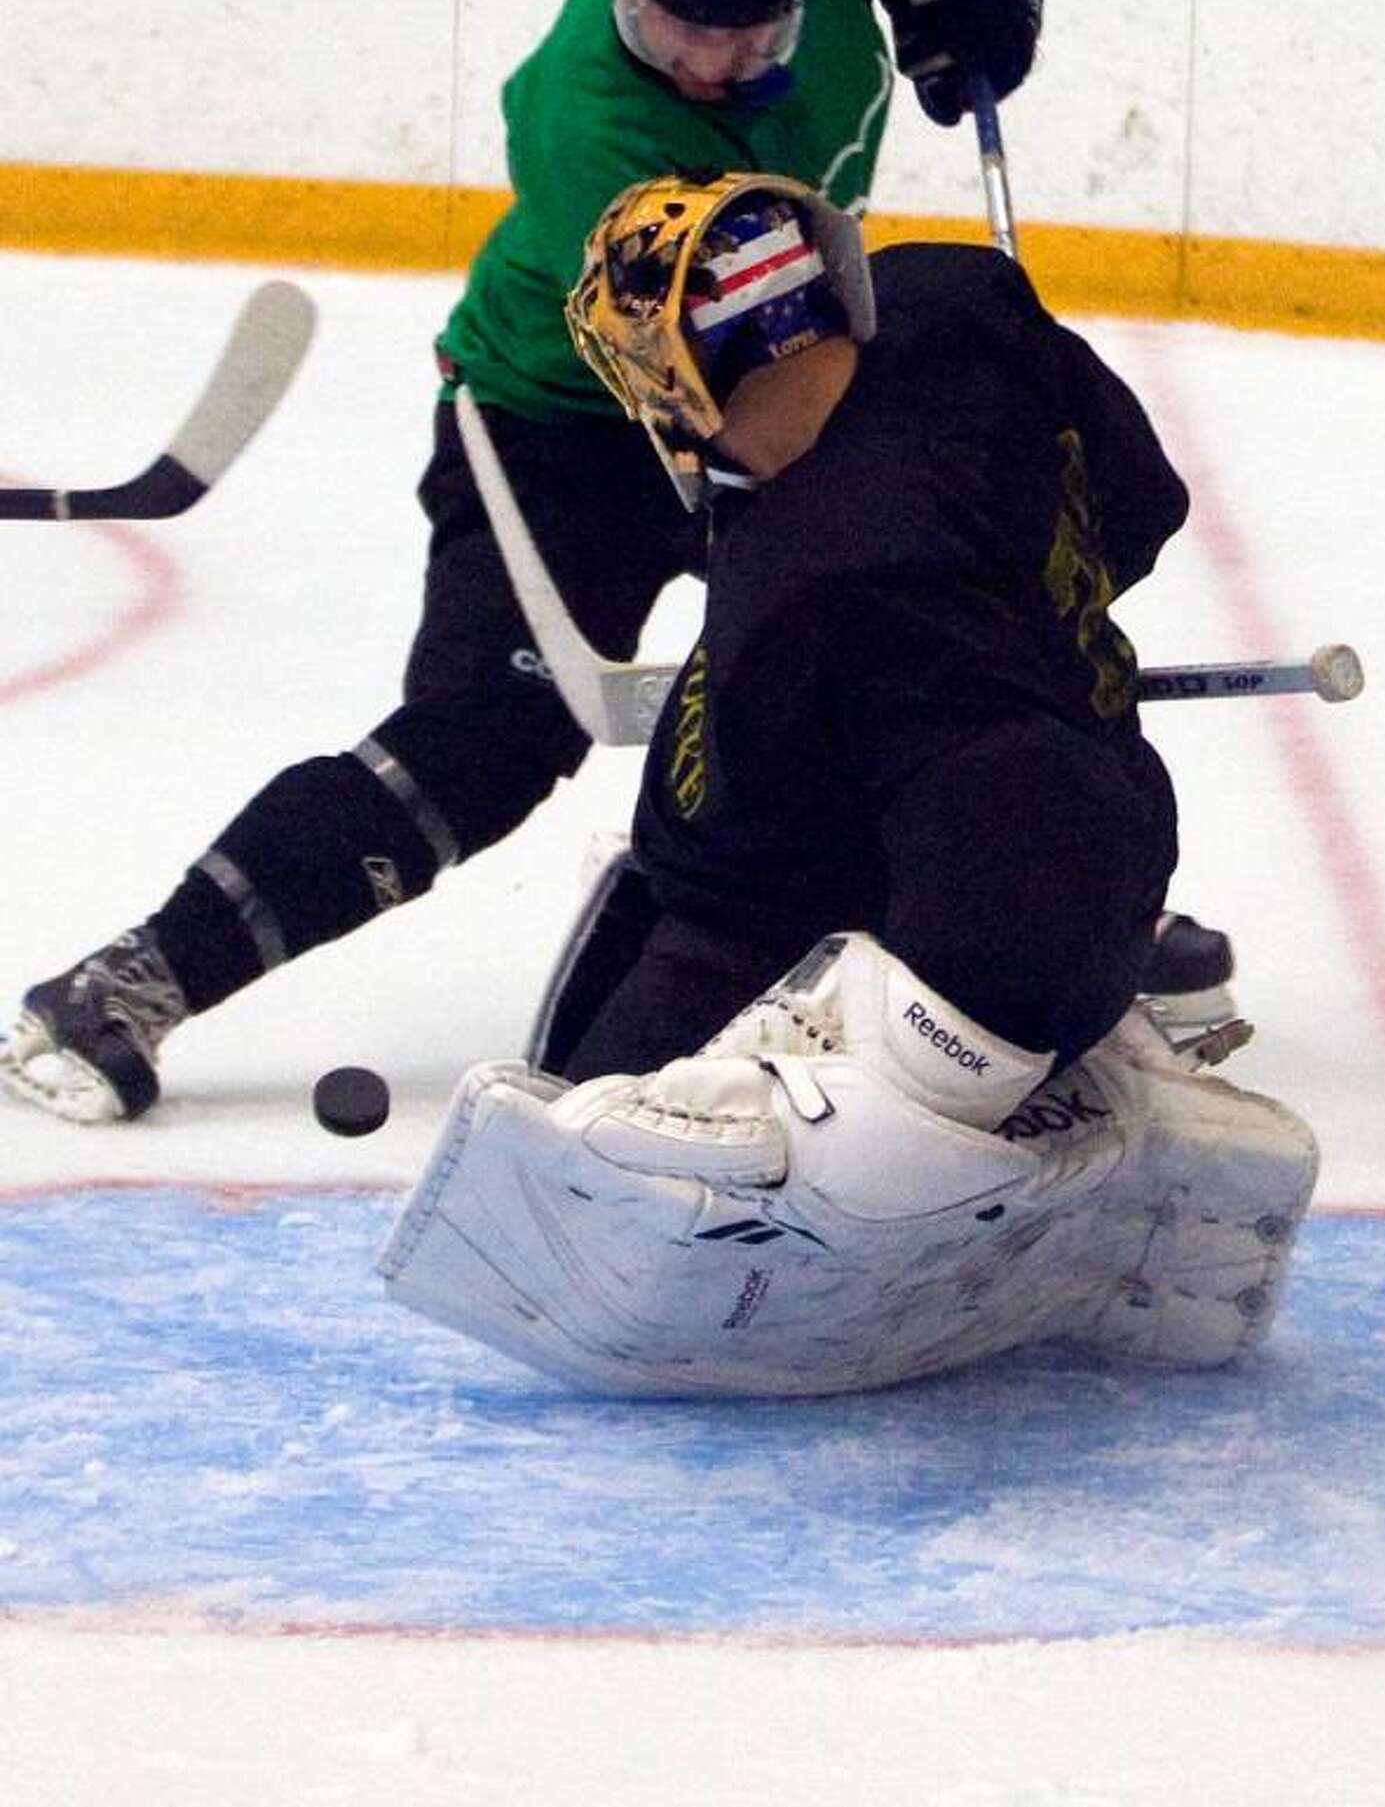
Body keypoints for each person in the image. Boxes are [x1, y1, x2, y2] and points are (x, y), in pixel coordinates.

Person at [0, 0, 1049, 1124]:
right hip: (567, 426)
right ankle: (128, 983)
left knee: (939, 642)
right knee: (486, 744)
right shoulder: (593, 131)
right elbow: (766, 417)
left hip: (769, 355)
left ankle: (1021, 936)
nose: (708, 62)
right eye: (677, 22)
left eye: (744, 29)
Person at [378, 173, 1318, 1396]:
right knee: (935, 811)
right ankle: (1084, 1085)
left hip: (983, 933)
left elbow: (723, 881)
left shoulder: (789, 576)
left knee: (700, 1137)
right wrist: (1024, 605)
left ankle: (990, 1151)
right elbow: (1142, 500)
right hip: (1124, 847)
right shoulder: (965, 303)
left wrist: (614, 1071)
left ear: (681, 381)